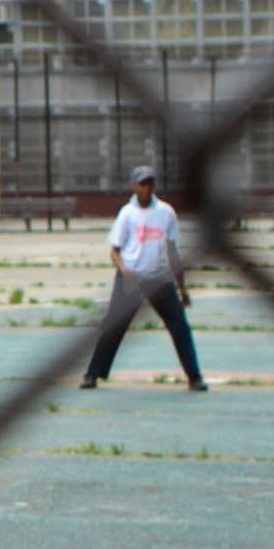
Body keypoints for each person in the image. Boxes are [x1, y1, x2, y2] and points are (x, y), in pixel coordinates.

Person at [81, 166, 203, 391]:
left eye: (150, 184)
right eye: (142, 184)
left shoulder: (166, 212)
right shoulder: (127, 213)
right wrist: (124, 271)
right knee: (114, 326)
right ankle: (93, 373)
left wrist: (182, 288)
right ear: (134, 186)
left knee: (179, 326)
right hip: (131, 277)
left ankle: (194, 377)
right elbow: (114, 251)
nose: (147, 188)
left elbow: (173, 251)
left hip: (158, 278)